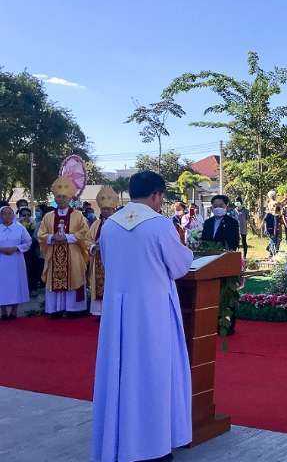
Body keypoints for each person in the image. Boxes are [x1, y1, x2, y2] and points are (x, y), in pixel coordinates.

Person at [92, 171, 194, 462]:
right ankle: (153, 446)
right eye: (161, 197)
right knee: (153, 374)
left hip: (118, 314)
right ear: (156, 195)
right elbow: (179, 266)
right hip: (152, 314)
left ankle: (119, 442)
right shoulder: (159, 224)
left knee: (121, 374)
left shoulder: (110, 225)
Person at [37, 177, 90, 318]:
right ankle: (55, 309)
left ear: (70, 198)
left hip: (72, 255)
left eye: (64, 197)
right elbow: (40, 234)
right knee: (55, 279)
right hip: (54, 254)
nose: (61, 199)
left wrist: (66, 237)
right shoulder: (48, 216)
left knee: (74, 277)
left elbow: (85, 232)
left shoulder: (78, 215)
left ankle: (72, 309)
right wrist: (52, 237)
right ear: (55, 198)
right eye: (59, 197)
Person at [87, 186, 120, 317]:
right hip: (98, 260)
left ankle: (111, 311)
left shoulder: (119, 225)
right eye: (103, 209)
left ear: (114, 209)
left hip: (113, 261)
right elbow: (87, 239)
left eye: (108, 209)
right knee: (98, 284)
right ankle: (99, 312)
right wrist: (93, 247)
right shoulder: (96, 224)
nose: (105, 211)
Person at [0, 205, 31, 320]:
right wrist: (2, 249)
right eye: (4, 213)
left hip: (16, 260)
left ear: (13, 215)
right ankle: (3, 311)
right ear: (1, 216)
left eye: (9, 213)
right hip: (1, 260)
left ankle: (14, 310)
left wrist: (17, 248)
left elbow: (28, 242)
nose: (7, 216)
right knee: (1, 285)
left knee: (15, 284)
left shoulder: (20, 228)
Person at [17, 207, 41, 293]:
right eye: (24, 215)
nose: (26, 217)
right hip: (20, 253)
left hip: (32, 251)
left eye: (28, 215)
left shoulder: (34, 224)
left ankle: (33, 289)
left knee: (33, 269)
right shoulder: (16, 226)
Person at [263, 190, 281, 254]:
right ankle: (273, 252)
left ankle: (270, 249)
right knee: (276, 238)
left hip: (270, 222)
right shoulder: (276, 203)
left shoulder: (268, 204)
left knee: (272, 237)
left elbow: (266, 215)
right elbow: (278, 212)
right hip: (275, 220)